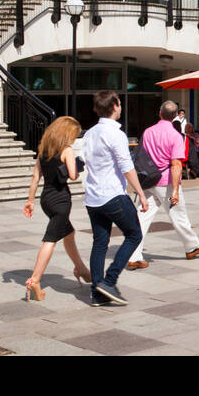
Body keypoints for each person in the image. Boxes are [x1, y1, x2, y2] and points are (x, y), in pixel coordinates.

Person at [82, 91, 149, 306]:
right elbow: (126, 166)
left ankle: (97, 292)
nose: (121, 107)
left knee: (100, 242)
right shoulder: (115, 134)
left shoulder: (90, 134)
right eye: (119, 103)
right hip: (112, 194)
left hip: (93, 197)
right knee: (134, 234)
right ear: (114, 106)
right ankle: (109, 281)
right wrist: (140, 192)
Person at [128, 104, 199, 270]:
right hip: (165, 180)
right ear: (175, 116)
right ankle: (192, 247)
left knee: (141, 217)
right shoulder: (175, 136)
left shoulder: (148, 131)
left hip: (148, 178)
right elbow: (176, 164)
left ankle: (133, 255)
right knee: (178, 215)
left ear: (159, 113)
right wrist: (175, 190)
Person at [22, 116, 91, 300]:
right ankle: (35, 280)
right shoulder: (67, 150)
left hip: (46, 199)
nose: (74, 139)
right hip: (61, 200)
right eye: (74, 135)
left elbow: (36, 178)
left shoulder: (43, 150)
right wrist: (77, 164)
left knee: (68, 233)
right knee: (50, 239)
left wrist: (30, 201)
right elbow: (73, 176)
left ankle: (82, 270)